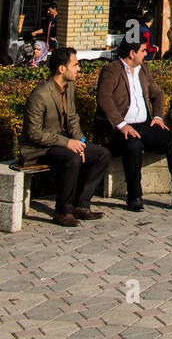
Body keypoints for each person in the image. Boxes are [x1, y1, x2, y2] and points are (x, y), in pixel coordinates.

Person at [94, 41, 172, 211]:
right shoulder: (111, 70)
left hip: (144, 125)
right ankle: (134, 196)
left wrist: (158, 116)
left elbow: (158, 94)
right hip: (118, 130)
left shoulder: (143, 70)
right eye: (143, 51)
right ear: (131, 53)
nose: (146, 54)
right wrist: (121, 125)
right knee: (133, 145)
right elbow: (104, 99)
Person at [19, 47, 111, 228]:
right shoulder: (40, 95)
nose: (78, 69)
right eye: (75, 65)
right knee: (72, 158)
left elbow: (72, 119)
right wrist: (68, 143)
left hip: (62, 141)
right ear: (62, 68)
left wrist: (81, 142)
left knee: (102, 154)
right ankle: (63, 211)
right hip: (40, 147)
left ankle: (81, 204)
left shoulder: (68, 87)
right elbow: (34, 133)